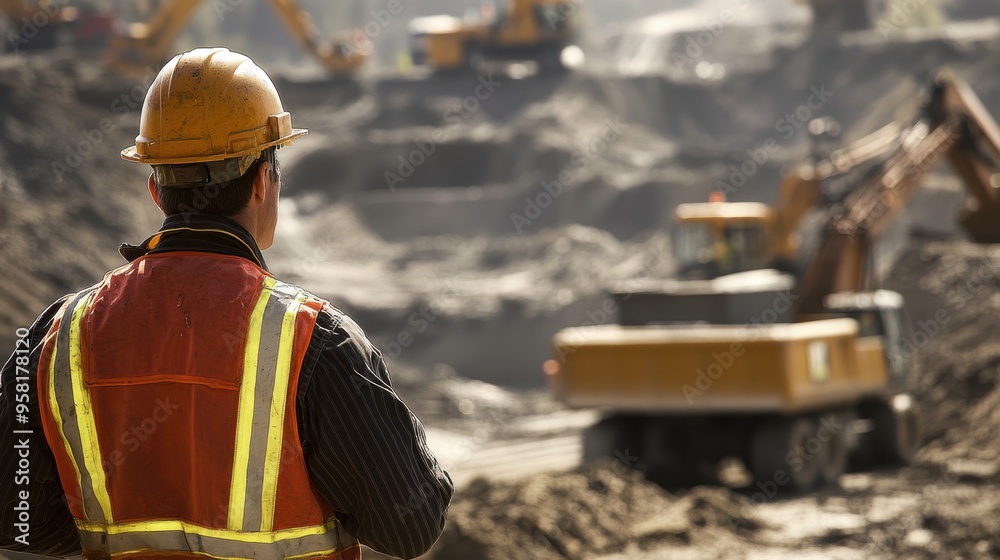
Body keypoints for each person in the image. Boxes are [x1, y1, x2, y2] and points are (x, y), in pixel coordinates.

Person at [0, 47, 453, 559]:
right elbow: (411, 528)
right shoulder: (313, 340)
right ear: (263, 181)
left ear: (155, 189)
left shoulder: (61, 332)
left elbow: (17, 519)